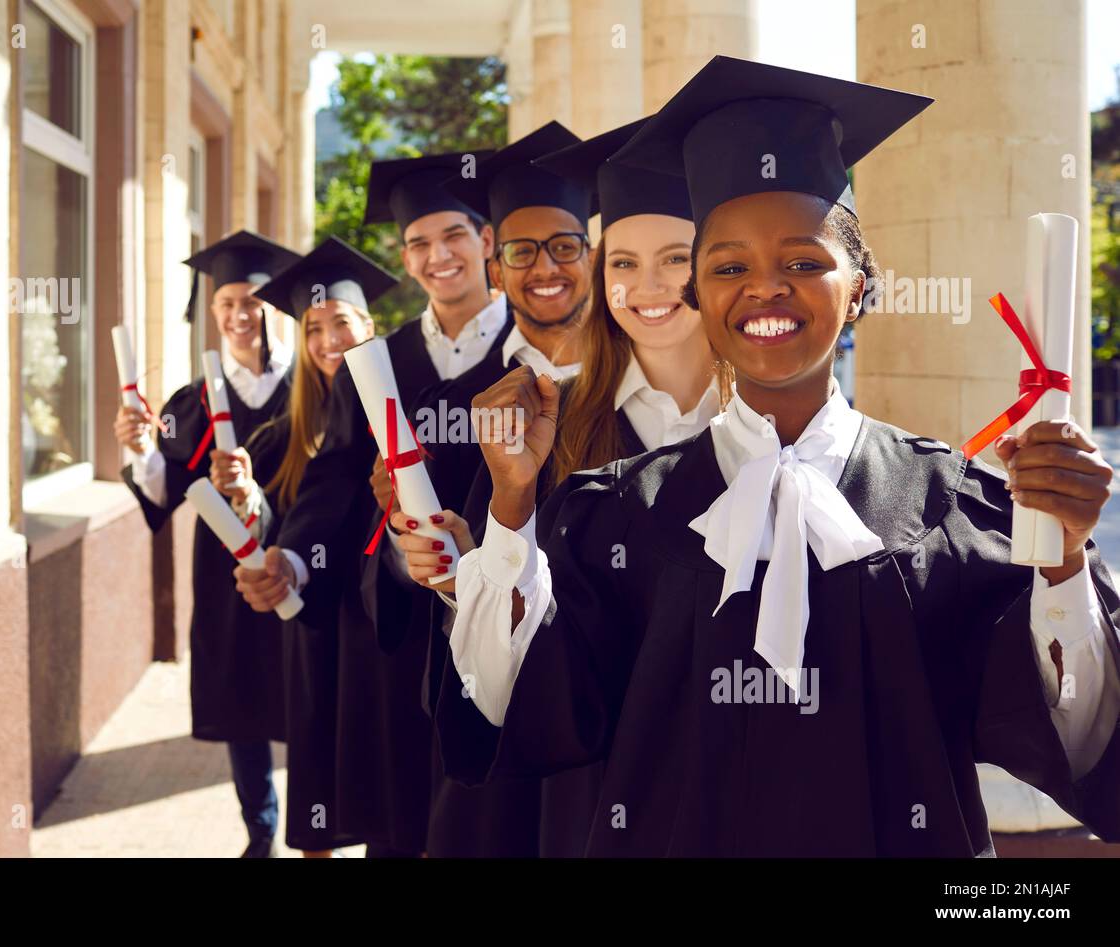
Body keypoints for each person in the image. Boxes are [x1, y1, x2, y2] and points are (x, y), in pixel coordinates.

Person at [398, 56, 1120, 856]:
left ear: (860, 286)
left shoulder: (947, 502)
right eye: (729, 266)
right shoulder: (617, 511)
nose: (766, 287)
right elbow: (511, 706)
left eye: (805, 262)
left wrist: (1063, 561)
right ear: (699, 295)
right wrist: (510, 508)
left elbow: (1075, 733)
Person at [410, 117, 728, 856]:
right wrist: (486, 549)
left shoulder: (774, 430)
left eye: (677, 258)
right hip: (592, 782)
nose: (646, 287)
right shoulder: (549, 422)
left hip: (738, 772)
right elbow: (494, 665)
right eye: (622, 262)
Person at [237, 193, 509, 856]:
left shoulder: (528, 349)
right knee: (400, 815)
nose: (437, 255)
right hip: (396, 626)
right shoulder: (377, 364)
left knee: (495, 815)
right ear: (406, 260)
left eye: (453, 235)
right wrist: (295, 559)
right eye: (419, 243)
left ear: (486, 241)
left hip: (506, 620)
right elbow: (331, 479)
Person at [116, 230, 299, 857]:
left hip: (302, 564)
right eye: (226, 304)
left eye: (252, 302)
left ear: (274, 308)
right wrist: (140, 447)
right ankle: (261, 829)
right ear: (213, 313)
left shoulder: (311, 387)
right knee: (241, 701)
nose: (239, 315)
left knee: (307, 693)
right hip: (225, 576)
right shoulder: (191, 401)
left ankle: (313, 822)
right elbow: (164, 492)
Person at [223, 238, 390, 857]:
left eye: (339, 323)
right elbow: (272, 517)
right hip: (314, 619)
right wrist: (246, 500)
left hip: (380, 619)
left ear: (368, 326)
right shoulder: (288, 428)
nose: (327, 341)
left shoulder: (398, 402)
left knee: (383, 783)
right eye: (312, 327)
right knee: (317, 772)